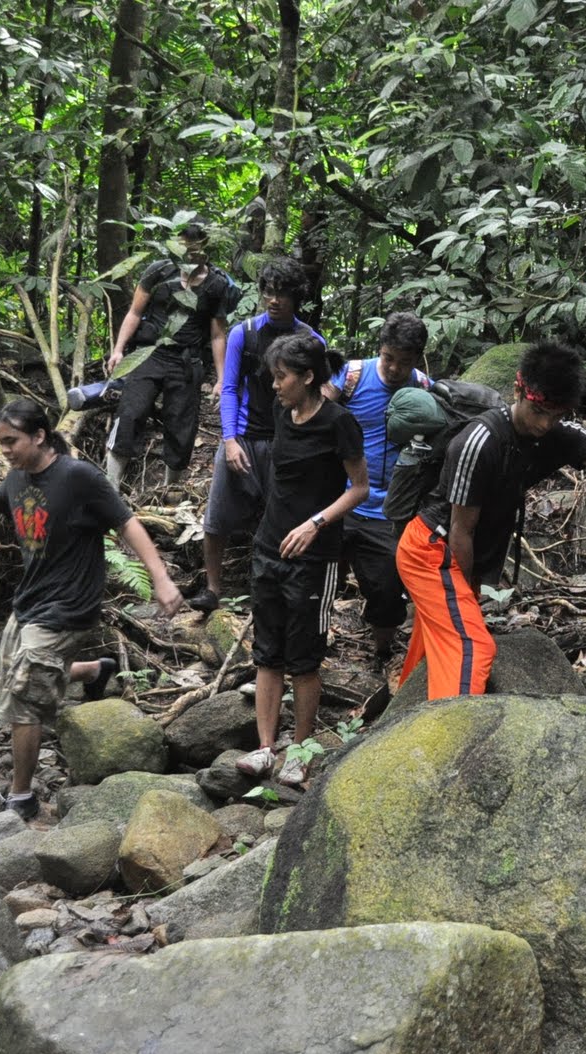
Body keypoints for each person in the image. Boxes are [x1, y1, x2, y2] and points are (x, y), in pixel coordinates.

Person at [0, 400, 183, 820]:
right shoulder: (18, 476)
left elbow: (127, 522)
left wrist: (160, 578)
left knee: (24, 701)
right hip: (30, 601)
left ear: (39, 436)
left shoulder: (77, 476)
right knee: (11, 677)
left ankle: (21, 797)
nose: (4, 449)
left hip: (68, 605)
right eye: (0, 442)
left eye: (11, 441)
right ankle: (92, 671)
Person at [396, 341, 586, 701]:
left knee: (437, 643)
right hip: (431, 549)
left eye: (556, 415)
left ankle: (403, 716)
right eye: (539, 411)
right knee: (470, 647)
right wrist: (466, 599)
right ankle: (454, 729)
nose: (545, 424)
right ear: (518, 389)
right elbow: (461, 529)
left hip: (460, 553)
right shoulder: (480, 441)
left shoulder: (558, 435)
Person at [236, 330, 370, 785]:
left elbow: (359, 488)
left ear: (308, 377)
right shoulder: (282, 411)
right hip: (269, 546)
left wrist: (316, 524)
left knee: (304, 657)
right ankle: (264, 748)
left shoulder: (338, 422)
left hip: (315, 557)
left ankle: (300, 751)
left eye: (282, 377)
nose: (275, 385)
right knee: (267, 653)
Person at [190, 255, 319, 612]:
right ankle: (213, 588)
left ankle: (275, 591)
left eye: (283, 293)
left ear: (296, 297)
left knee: (285, 518)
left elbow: (318, 396)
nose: (274, 300)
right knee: (217, 517)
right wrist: (229, 440)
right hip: (244, 436)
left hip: (287, 443)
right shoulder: (243, 333)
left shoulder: (309, 341)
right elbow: (230, 387)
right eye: (269, 292)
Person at [322, 310, 433, 669]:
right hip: (340, 499)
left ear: (417, 358)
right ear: (380, 348)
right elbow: (317, 417)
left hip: (389, 511)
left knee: (386, 590)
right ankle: (313, 644)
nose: (395, 368)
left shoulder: (424, 390)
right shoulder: (351, 376)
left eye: (404, 361)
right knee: (318, 578)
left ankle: (381, 654)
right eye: (388, 358)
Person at [105, 221, 234, 486]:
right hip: (149, 353)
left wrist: (222, 379)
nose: (189, 255)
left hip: (187, 360)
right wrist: (118, 351)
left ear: (206, 249)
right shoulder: (160, 271)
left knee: (181, 427)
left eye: (195, 249)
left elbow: (218, 335)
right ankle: (111, 487)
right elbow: (135, 312)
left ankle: (169, 491)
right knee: (130, 415)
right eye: (184, 248)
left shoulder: (216, 284)